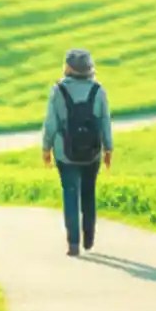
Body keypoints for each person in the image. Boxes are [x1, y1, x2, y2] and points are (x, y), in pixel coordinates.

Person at [41, 48, 113, 257]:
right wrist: (108, 148)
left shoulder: (58, 90)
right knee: (89, 193)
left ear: (68, 68)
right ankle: (89, 239)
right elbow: (105, 121)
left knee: (70, 193)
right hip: (92, 152)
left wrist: (46, 147)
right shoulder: (98, 91)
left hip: (65, 152)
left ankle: (73, 243)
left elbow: (51, 123)